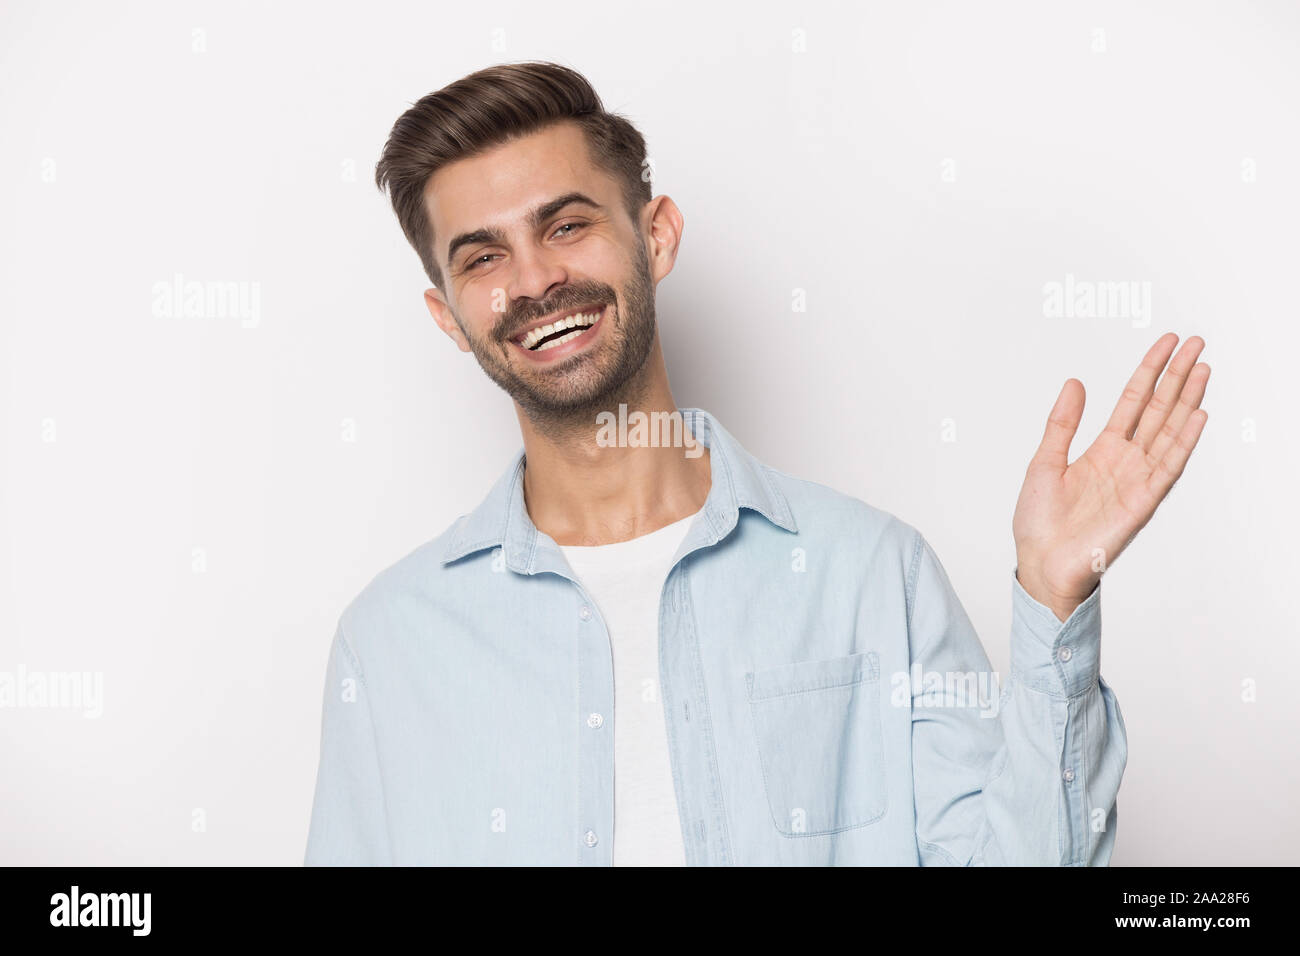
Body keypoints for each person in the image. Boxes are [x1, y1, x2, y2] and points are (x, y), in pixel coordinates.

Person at [304, 61, 1209, 866]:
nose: (535, 280)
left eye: (568, 225)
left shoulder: (869, 573)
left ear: (655, 238)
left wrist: (1054, 598)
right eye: (484, 256)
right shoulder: (389, 645)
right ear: (447, 315)